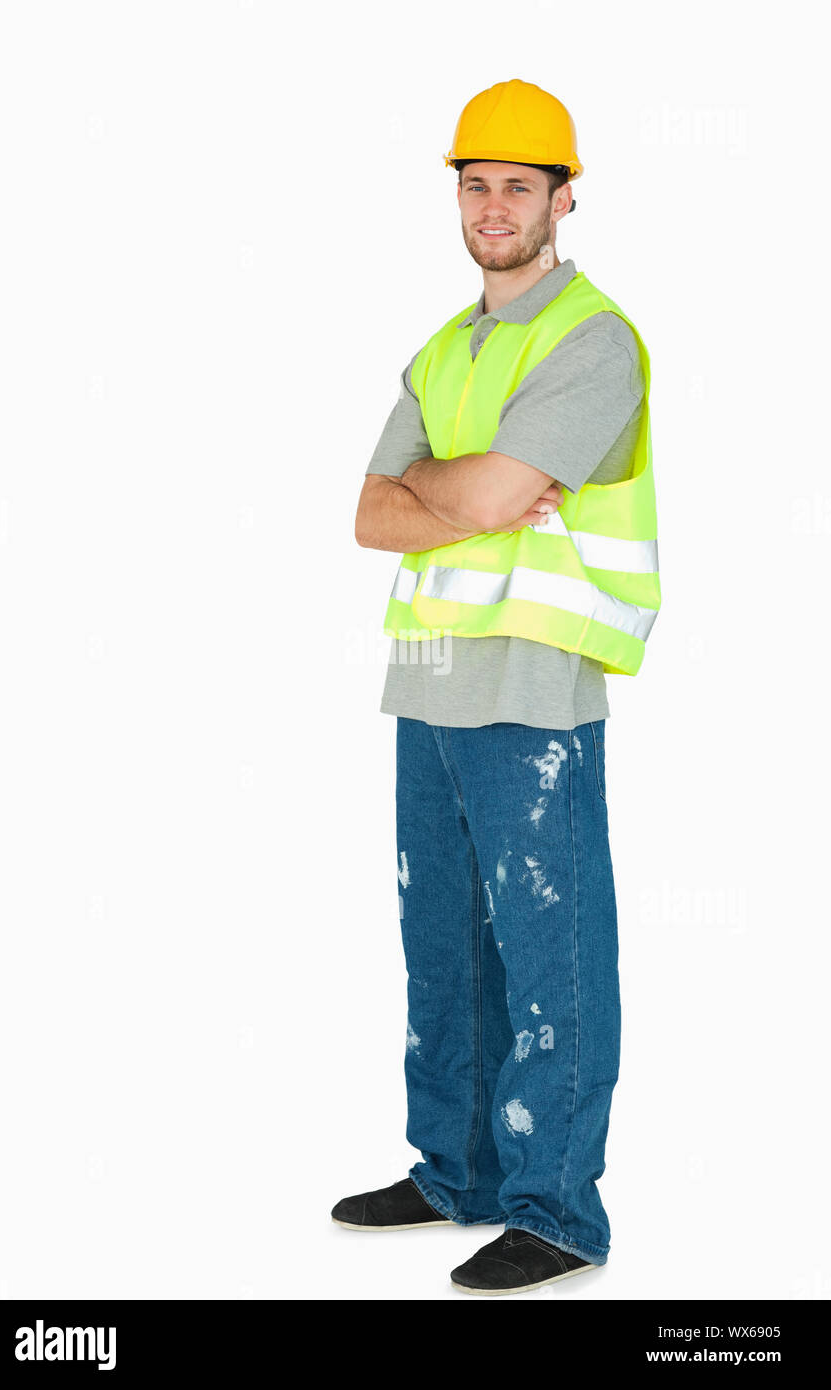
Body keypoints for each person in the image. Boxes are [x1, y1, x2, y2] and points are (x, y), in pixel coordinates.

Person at [332, 78, 661, 1297]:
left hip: (534, 679)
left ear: (561, 199)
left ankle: (556, 1207)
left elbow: (445, 500)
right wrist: (462, 489)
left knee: (548, 944)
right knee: (442, 944)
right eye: (476, 183)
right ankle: (453, 1170)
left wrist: (445, 490)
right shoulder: (440, 348)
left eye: (518, 186)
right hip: (425, 676)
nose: (493, 206)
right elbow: (370, 514)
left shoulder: (591, 339)